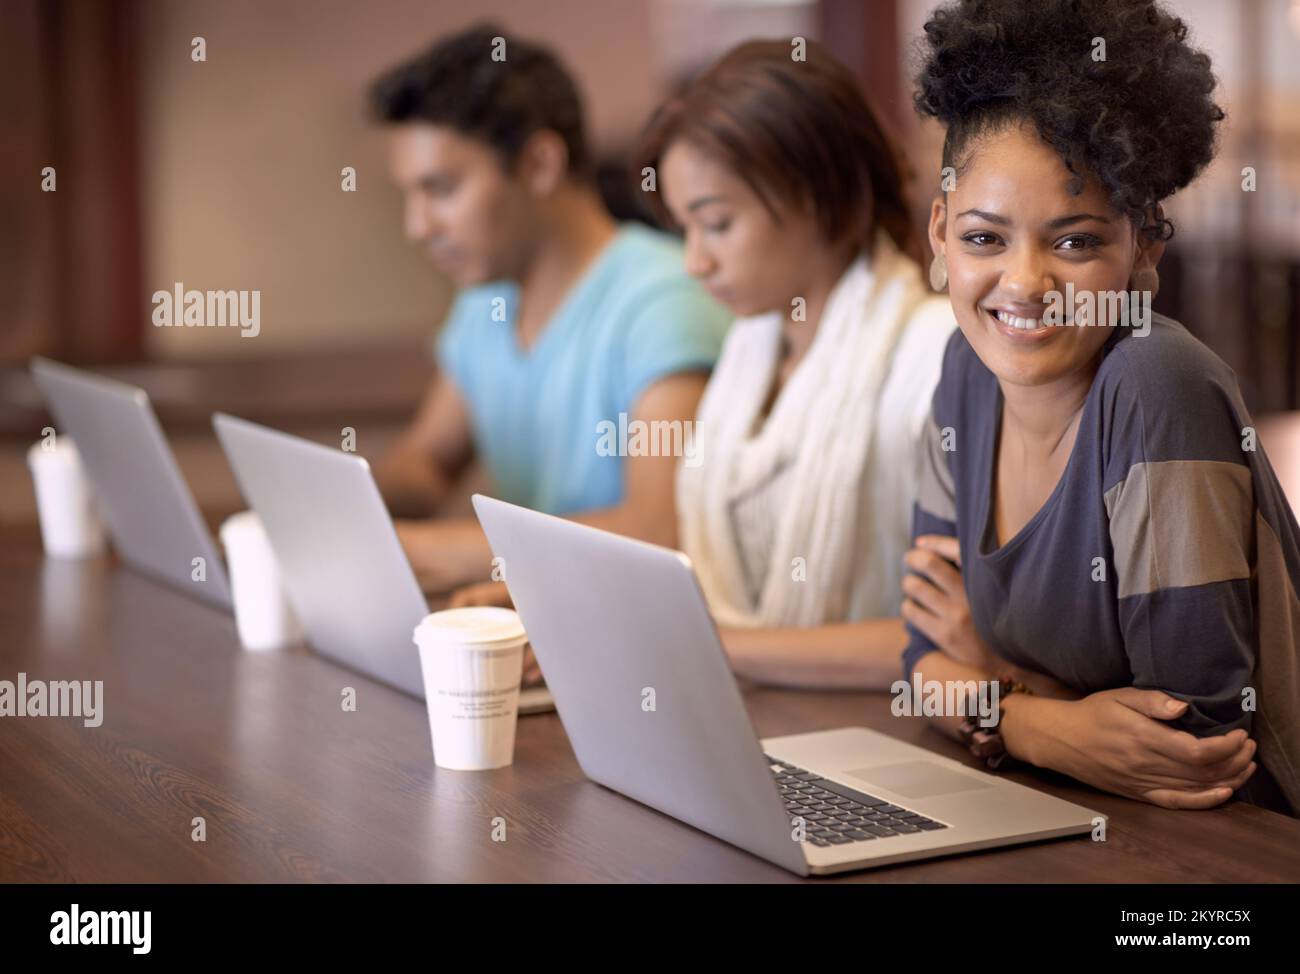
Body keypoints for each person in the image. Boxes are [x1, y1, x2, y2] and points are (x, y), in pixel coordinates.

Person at [905, 0, 1299, 815]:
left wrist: (995, 688)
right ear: (940, 231)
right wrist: (1038, 719)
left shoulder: (1157, 386)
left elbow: (1192, 746)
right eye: (984, 238)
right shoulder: (964, 370)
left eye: (1075, 241)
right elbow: (921, 661)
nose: (1024, 283)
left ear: (1144, 244)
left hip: (1241, 846)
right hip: (1068, 814)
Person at [632, 39, 961, 689]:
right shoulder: (749, 351)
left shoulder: (936, 355)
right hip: (755, 707)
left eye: (716, 224)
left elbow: (959, 635)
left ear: (818, 194)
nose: (695, 261)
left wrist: (718, 647)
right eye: (684, 229)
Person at [369, 23, 730, 593]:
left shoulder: (664, 300)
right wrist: (340, 503)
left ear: (539, 164)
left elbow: (659, 532)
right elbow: (430, 460)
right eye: (409, 195)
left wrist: (421, 549)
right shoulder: (485, 300)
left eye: (441, 189)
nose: (417, 226)